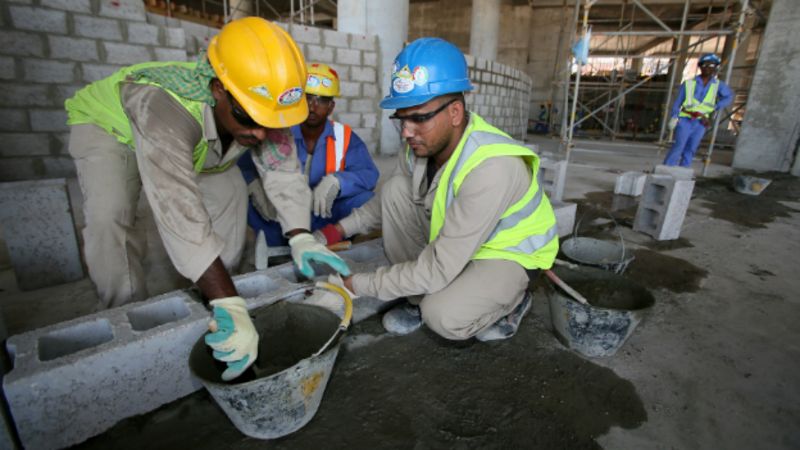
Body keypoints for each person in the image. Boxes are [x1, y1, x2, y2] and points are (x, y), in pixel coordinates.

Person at [64, 17, 350, 380]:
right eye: (249, 117)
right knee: (111, 217)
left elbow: (282, 170)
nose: (261, 132)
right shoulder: (165, 105)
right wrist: (229, 299)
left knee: (230, 193)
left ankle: (213, 297)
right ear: (218, 89)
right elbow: (176, 205)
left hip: (204, 142)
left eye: (270, 121)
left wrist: (300, 234)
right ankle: (127, 320)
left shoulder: (258, 105)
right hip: (112, 129)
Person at [315, 37, 559, 342]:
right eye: (401, 119)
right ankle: (418, 298)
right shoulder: (421, 145)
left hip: (506, 254)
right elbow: (383, 205)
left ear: (455, 113)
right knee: (395, 191)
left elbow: (439, 266)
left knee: (442, 315)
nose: (406, 132)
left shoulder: (492, 166)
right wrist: (334, 232)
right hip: (463, 242)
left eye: (418, 118)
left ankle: (512, 302)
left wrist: (351, 286)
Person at [237, 62, 379, 246]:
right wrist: (253, 184)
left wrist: (338, 182)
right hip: (282, 213)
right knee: (243, 197)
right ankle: (279, 250)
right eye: (308, 98)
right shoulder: (279, 131)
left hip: (325, 213)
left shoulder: (345, 137)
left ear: (331, 107)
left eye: (321, 100)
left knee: (365, 199)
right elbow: (244, 163)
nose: (312, 106)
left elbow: (369, 174)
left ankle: (333, 237)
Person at [663, 53, 733, 167]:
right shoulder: (689, 83)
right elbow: (678, 102)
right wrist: (674, 117)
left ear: (715, 68)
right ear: (700, 66)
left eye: (712, 65)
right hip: (685, 119)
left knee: (691, 147)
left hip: (701, 122)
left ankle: (683, 171)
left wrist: (715, 106)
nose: (708, 68)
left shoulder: (718, 86)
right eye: (705, 65)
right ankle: (667, 169)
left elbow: (728, 96)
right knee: (679, 145)